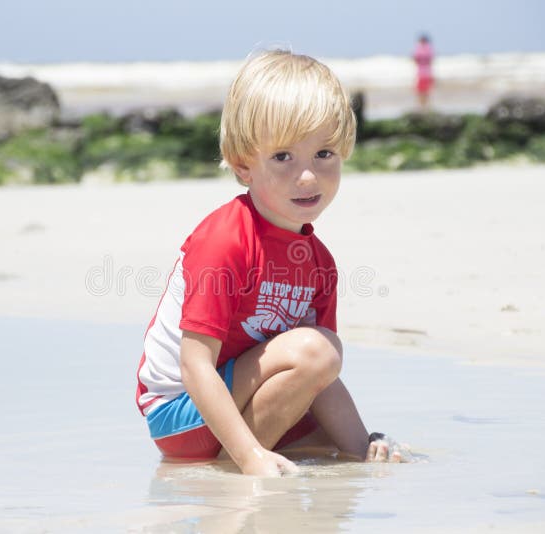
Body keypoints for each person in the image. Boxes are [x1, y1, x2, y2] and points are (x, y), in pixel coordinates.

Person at [135, 49, 406, 477]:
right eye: (283, 157)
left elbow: (320, 382)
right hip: (180, 411)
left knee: (327, 442)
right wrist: (249, 456)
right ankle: (233, 463)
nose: (307, 176)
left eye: (324, 154)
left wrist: (361, 448)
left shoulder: (319, 263)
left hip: (241, 393)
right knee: (318, 348)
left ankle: (262, 454)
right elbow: (194, 365)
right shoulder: (227, 238)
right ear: (244, 165)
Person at [413, 34, 435, 109]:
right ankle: (422, 105)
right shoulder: (420, 48)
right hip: (422, 72)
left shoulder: (427, 48)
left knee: (424, 91)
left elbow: (430, 60)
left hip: (426, 73)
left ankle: (424, 105)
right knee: (421, 91)